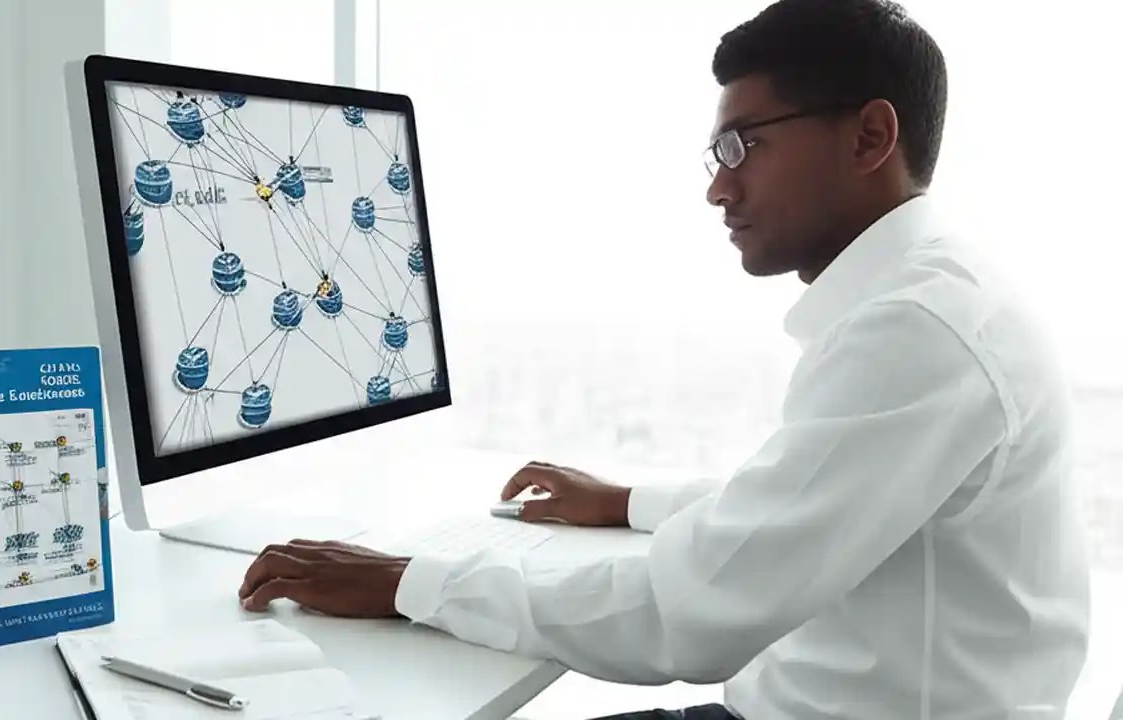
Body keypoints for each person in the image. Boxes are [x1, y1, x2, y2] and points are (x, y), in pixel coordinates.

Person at [236, 0, 1092, 717]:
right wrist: (628, 501)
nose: (719, 187)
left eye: (742, 145)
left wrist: (407, 583)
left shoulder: (917, 329)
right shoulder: (935, 296)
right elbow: (808, 497)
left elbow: (686, 614)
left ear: (870, 136)